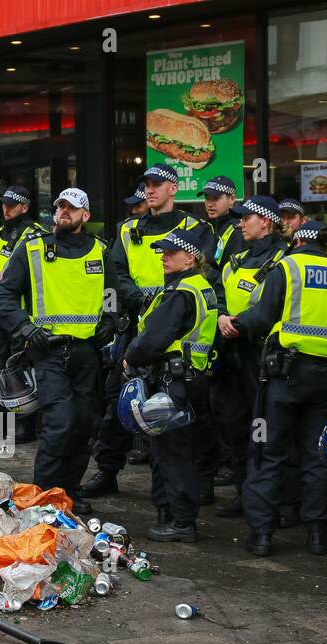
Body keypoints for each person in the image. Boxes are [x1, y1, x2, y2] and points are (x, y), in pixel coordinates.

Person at [225, 220, 327, 555]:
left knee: (267, 451)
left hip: (285, 376)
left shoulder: (288, 267)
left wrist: (232, 323)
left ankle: (262, 535)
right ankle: (317, 534)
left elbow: (261, 318)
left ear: (299, 240)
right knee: (319, 455)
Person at [83, 165, 214, 499]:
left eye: (156, 185)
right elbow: (115, 273)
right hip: (138, 324)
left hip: (178, 326)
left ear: (173, 188)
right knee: (117, 400)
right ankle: (108, 469)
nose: (149, 190)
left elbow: (208, 274)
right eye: (146, 185)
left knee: (179, 413)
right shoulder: (128, 229)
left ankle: (194, 486)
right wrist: (139, 298)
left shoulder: (195, 228)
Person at [0, 187, 114, 513]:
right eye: (60, 206)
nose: (63, 212)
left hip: (87, 354)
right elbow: (3, 295)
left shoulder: (100, 252)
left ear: (85, 216)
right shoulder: (32, 249)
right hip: (49, 352)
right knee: (60, 423)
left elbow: (114, 292)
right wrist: (26, 328)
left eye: (71, 208)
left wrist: (114, 320)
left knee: (84, 424)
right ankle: (44, 496)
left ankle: (70, 491)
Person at [124, 227, 219, 542]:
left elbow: (154, 338)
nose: (163, 258)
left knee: (173, 455)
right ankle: (171, 514)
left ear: (189, 257)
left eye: (170, 253)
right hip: (192, 379)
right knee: (175, 452)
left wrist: (130, 358)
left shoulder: (181, 292)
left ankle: (181, 523)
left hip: (174, 381)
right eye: (162, 252)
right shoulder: (200, 286)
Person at [212, 195, 290, 519]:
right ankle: (245, 495)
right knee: (236, 428)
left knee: (271, 433)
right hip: (233, 356)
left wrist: (239, 324)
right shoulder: (235, 260)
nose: (241, 223)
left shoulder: (285, 259)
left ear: (266, 222)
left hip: (266, 357)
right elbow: (216, 292)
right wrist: (220, 316)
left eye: (247, 218)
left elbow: (275, 308)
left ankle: (279, 502)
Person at [0, 185, 46, 435]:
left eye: (11, 205)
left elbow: (42, 275)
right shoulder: (0, 232)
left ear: (24, 207)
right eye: (4, 204)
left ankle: (23, 425)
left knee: (19, 366)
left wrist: (14, 276)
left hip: (20, 309)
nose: (6, 209)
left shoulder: (36, 235)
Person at [203, 175, 244, 266]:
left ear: (232, 199)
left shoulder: (240, 230)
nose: (210, 204)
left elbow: (233, 272)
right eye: (207, 198)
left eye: (216, 198)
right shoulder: (204, 228)